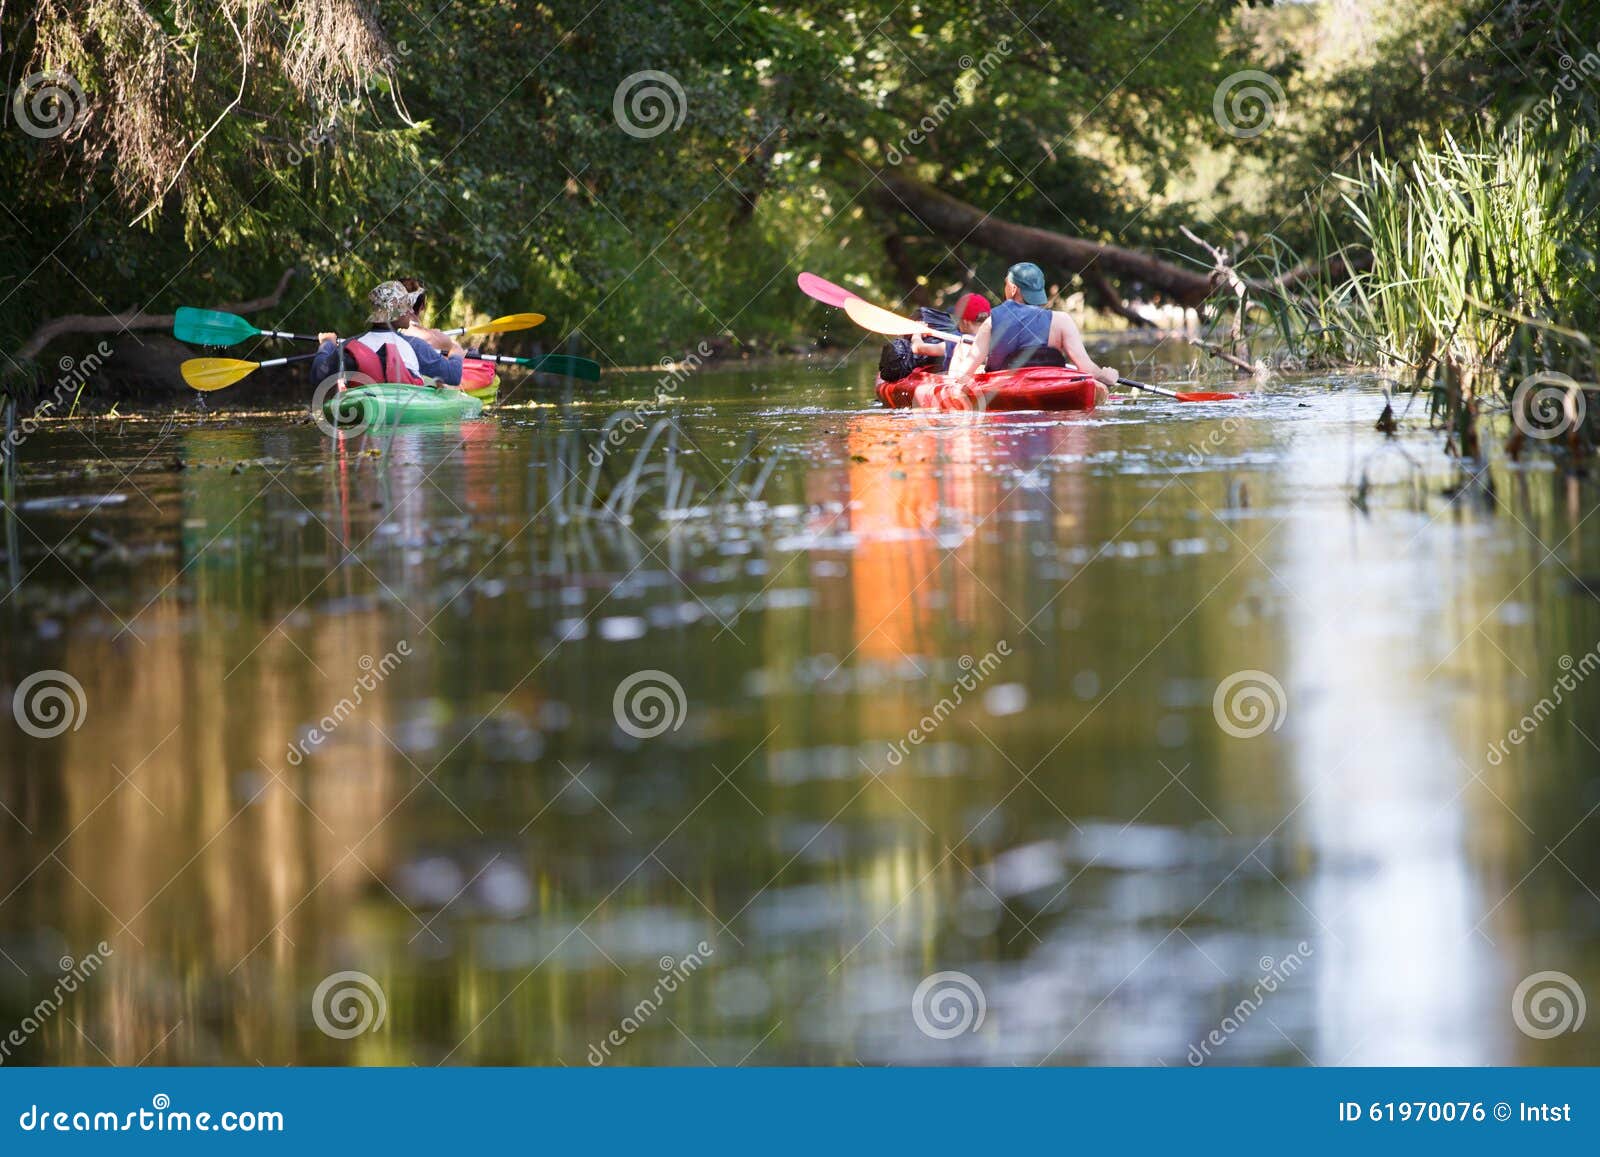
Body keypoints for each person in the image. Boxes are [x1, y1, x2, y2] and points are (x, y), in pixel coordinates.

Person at [949, 262, 1118, 403]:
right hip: (1054, 391)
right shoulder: (1061, 320)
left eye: (1006, 284)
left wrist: (958, 355)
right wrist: (1106, 375)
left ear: (1013, 289)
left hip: (1006, 392)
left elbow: (961, 376)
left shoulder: (991, 322)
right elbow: (1088, 369)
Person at [312, 280, 466, 386]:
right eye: (406, 306)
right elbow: (453, 376)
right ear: (397, 314)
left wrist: (326, 344)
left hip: (367, 407)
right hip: (402, 413)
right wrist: (456, 354)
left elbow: (318, 376)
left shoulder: (350, 346)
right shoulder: (415, 346)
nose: (410, 311)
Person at [878, 291, 992, 382]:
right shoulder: (992, 337)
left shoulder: (955, 341)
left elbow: (917, 348)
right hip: (984, 378)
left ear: (965, 322)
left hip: (956, 381)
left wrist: (916, 334)